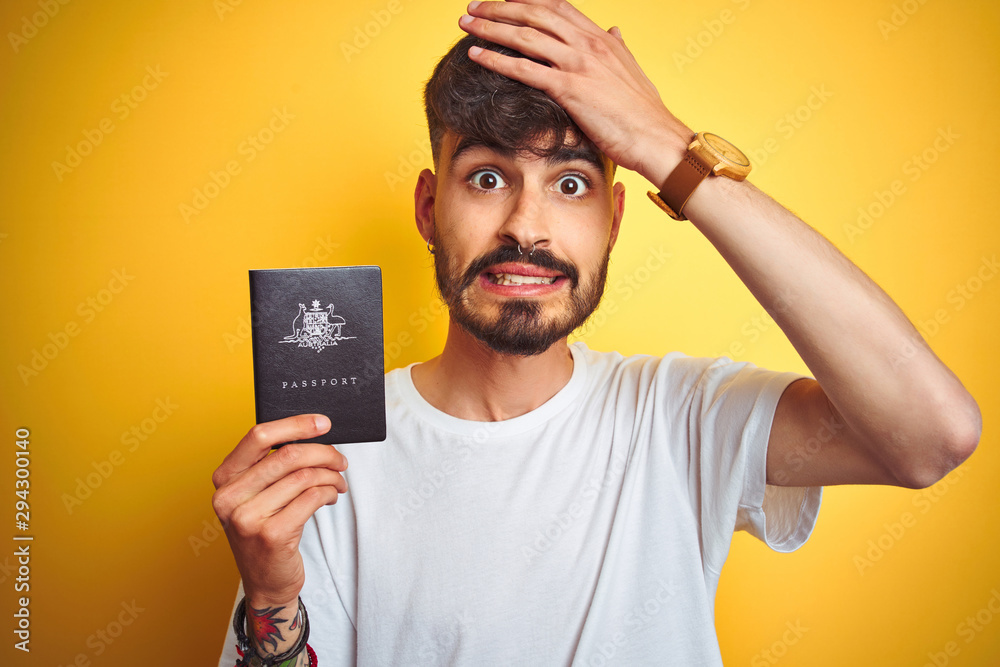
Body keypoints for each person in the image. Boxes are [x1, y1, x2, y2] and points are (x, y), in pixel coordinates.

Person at [213, 1, 981, 665]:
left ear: (615, 221)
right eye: (487, 177)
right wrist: (272, 599)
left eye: (571, 182)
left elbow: (934, 433)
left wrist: (667, 147)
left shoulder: (683, 418)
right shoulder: (328, 450)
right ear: (426, 208)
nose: (526, 226)